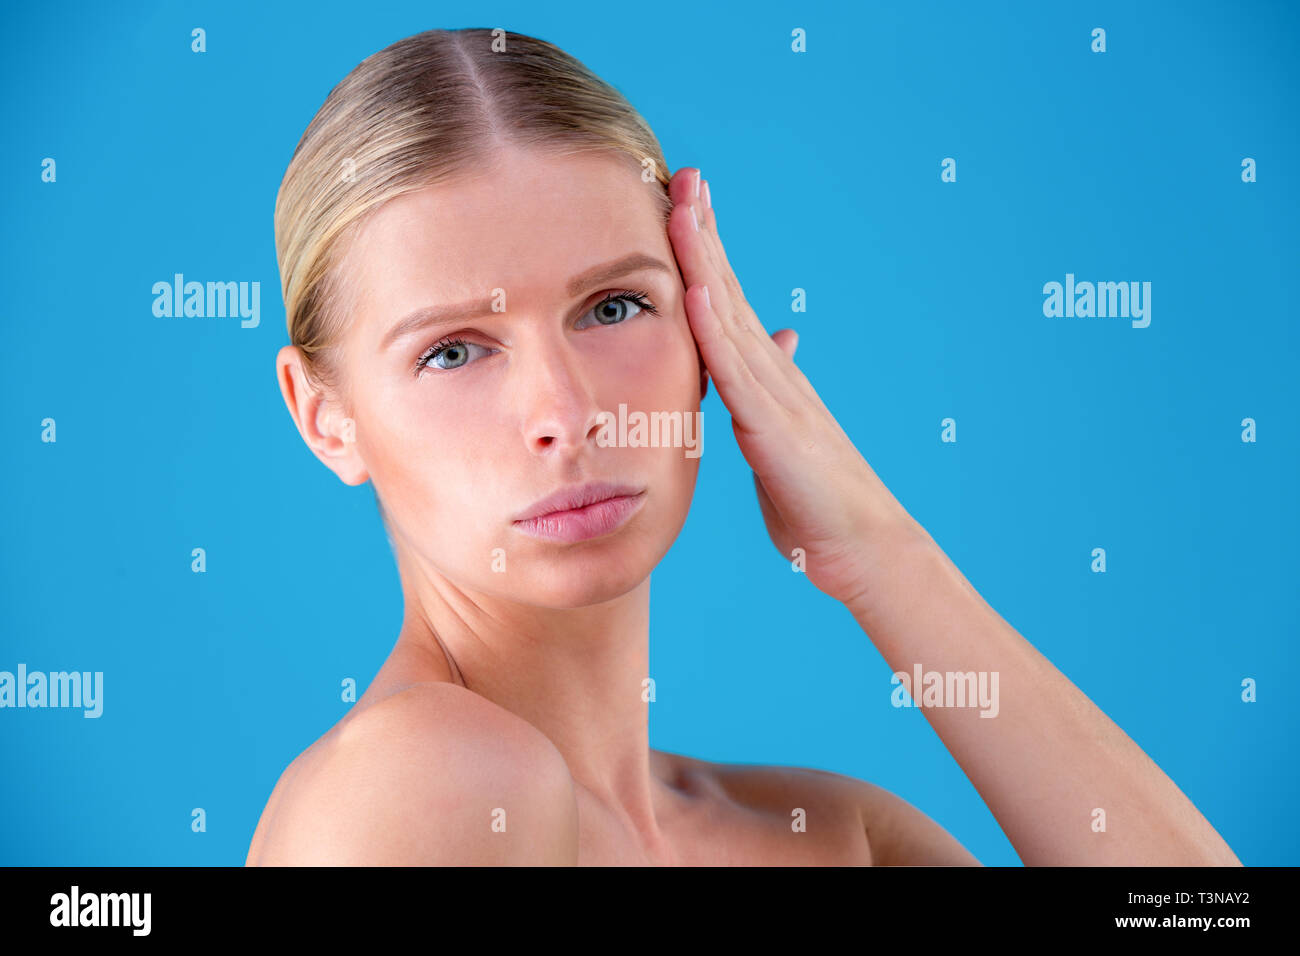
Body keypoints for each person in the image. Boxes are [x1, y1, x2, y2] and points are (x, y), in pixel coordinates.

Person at [245, 27, 1241, 866]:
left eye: (614, 304)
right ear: (326, 416)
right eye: (453, 349)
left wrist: (877, 549)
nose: (566, 408)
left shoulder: (831, 830)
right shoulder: (423, 778)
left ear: (708, 331)